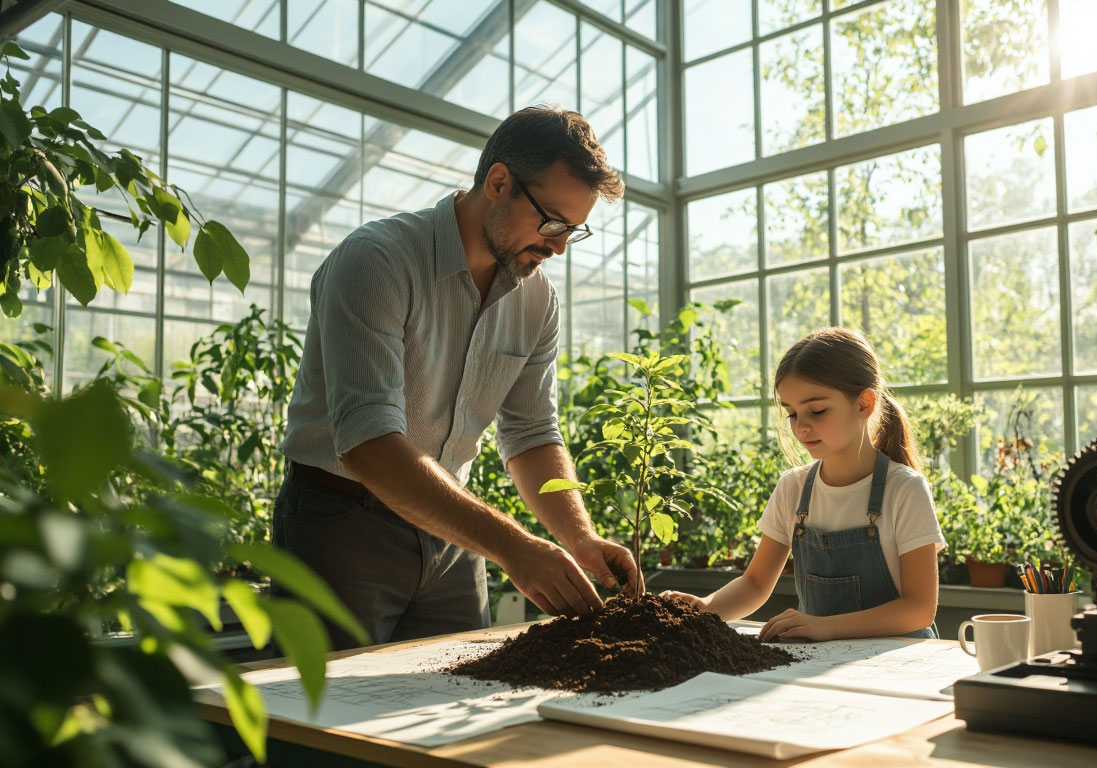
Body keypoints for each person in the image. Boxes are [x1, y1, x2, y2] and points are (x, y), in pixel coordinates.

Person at [273, 105, 639, 650]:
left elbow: (533, 434)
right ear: (498, 183)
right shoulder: (377, 261)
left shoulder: (537, 299)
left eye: (575, 230)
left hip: (454, 536)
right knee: (323, 713)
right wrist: (514, 547)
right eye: (554, 222)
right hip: (342, 524)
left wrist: (579, 538)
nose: (560, 245)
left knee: (451, 706)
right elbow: (369, 444)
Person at [664, 327, 943, 641]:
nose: (802, 426)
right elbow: (755, 583)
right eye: (792, 413)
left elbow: (919, 608)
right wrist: (704, 608)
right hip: (818, 664)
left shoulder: (905, 489)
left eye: (817, 410)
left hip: (901, 666)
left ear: (864, 403)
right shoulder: (793, 489)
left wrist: (825, 626)